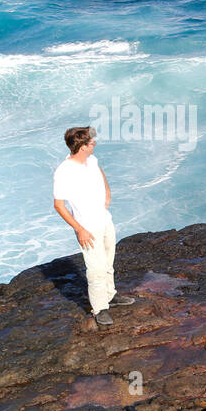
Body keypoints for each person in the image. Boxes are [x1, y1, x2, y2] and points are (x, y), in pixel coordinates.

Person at [52, 126, 135, 326]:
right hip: (87, 227)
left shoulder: (92, 160)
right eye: (91, 142)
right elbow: (59, 205)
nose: (94, 144)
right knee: (95, 269)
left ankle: (110, 295)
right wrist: (79, 229)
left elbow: (100, 173)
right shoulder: (64, 172)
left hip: (105, 219)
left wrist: (107, 192)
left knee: (108, 262)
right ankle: (100, 308)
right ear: (82, 147)